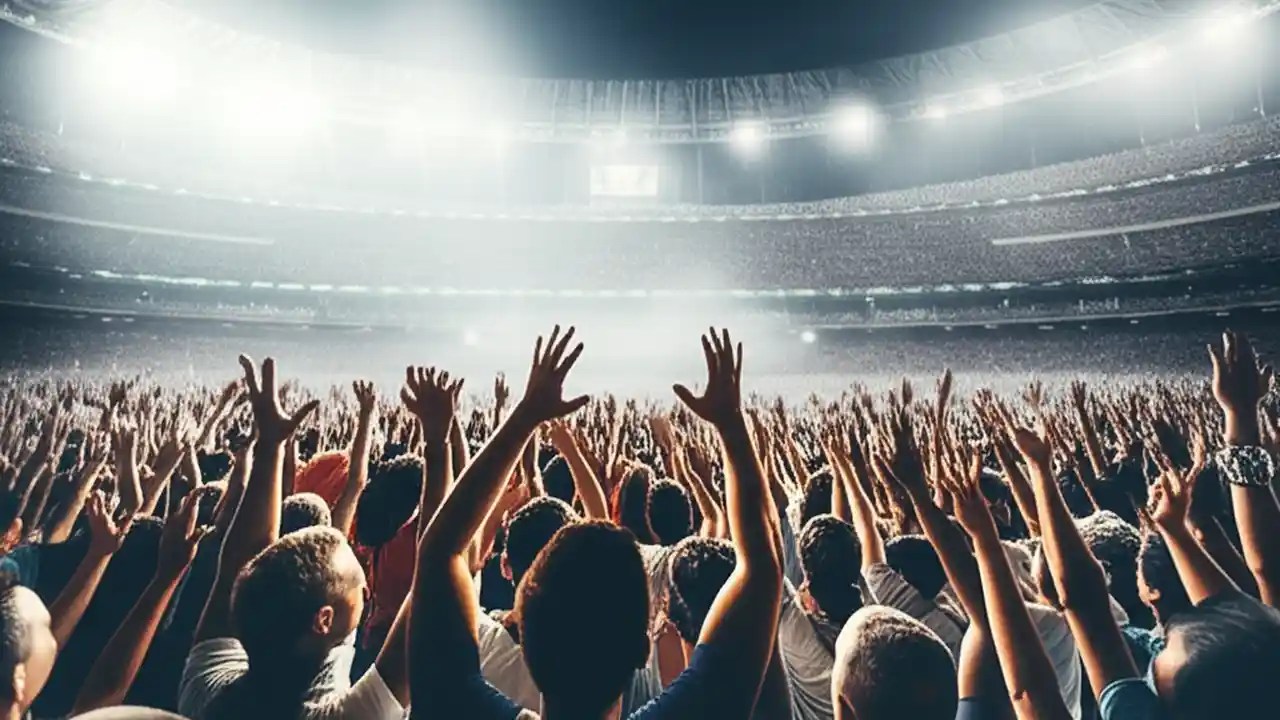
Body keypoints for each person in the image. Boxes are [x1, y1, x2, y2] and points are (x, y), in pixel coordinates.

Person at [410, 326, 784, 719]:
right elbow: (763, 566)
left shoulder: (455, 705)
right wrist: (730, 423)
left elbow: (440, 549)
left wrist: (526, 416)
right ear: (644, 649)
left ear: (528, 642)